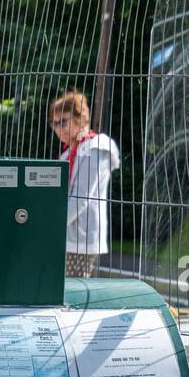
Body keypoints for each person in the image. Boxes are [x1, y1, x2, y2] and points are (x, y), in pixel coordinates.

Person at [49, 90, 120, 277]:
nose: (58, 128)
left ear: (80, 119)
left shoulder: (95, 147)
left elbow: (81, 197)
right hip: (65, 236)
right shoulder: (68, 153)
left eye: (63, 121)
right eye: (54, 124)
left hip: (82, 238)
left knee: (71, 296)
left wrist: (52, 225)